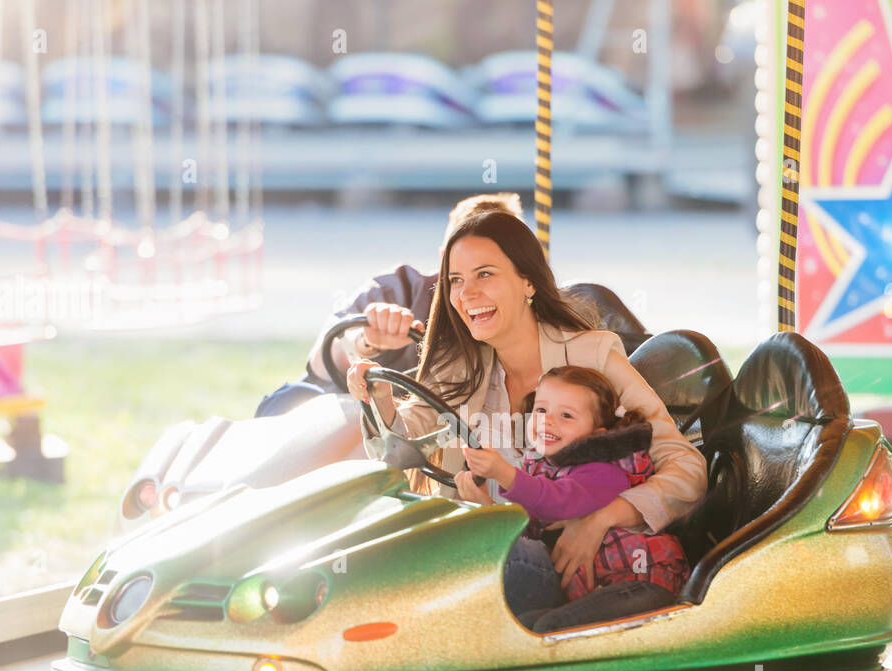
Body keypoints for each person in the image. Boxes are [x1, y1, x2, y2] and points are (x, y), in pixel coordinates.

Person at [346, 210, 707, 626]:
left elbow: (687, 468)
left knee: (474, 559)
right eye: (456, 281)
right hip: (503, 550)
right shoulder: (460, 369)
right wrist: (379, 394)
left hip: (587, 567)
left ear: (528, 282)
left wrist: (600, 520)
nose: (466, 294)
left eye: (485, 274)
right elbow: (406, 440)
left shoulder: (591, 357)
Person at [456, 365, 690, 632]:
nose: (547, 421)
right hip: (595, 591)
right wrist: (484, 502)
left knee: (550, 628)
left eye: (566, 415)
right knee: (525, 627)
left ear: (597, 433)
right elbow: (528, 529)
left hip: (642, 585)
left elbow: (558, 502)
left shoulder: (605, 469)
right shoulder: (542, 465)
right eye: (541, 410)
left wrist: (503, 473)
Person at [254, 193, 524, 417]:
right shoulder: (396, 290)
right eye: (459, 265)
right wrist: (366, 341)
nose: (470, 289)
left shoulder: (526, 325)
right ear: (443, 257)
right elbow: (321, 364)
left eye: (487, 271)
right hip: (345, 414)